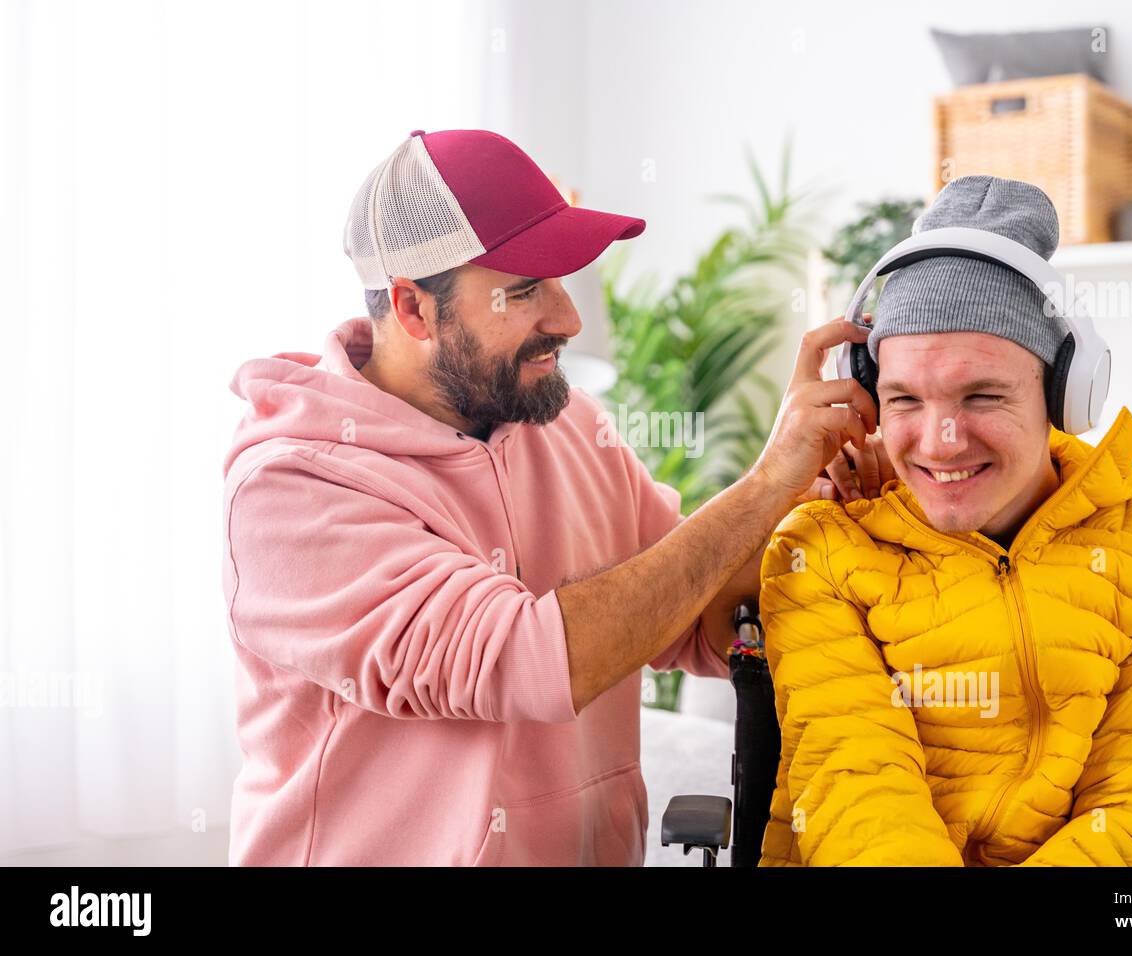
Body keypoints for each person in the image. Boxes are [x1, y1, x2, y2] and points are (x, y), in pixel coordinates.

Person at [220, 128, 889, 865]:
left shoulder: (569, 424)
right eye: (526, 288)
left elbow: (693, 613)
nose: (568, 319)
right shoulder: (292, 489)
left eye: (561, 281)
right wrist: (765, 484)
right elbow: (520, 663)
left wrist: (816, 508)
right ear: (413, 309)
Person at [757, 175, 1132, 867]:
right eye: (905, 399)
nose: (941, 440)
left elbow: (1131, 811)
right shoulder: (820, 550)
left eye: (982, 394)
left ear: (1064, 395)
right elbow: (858, 791)